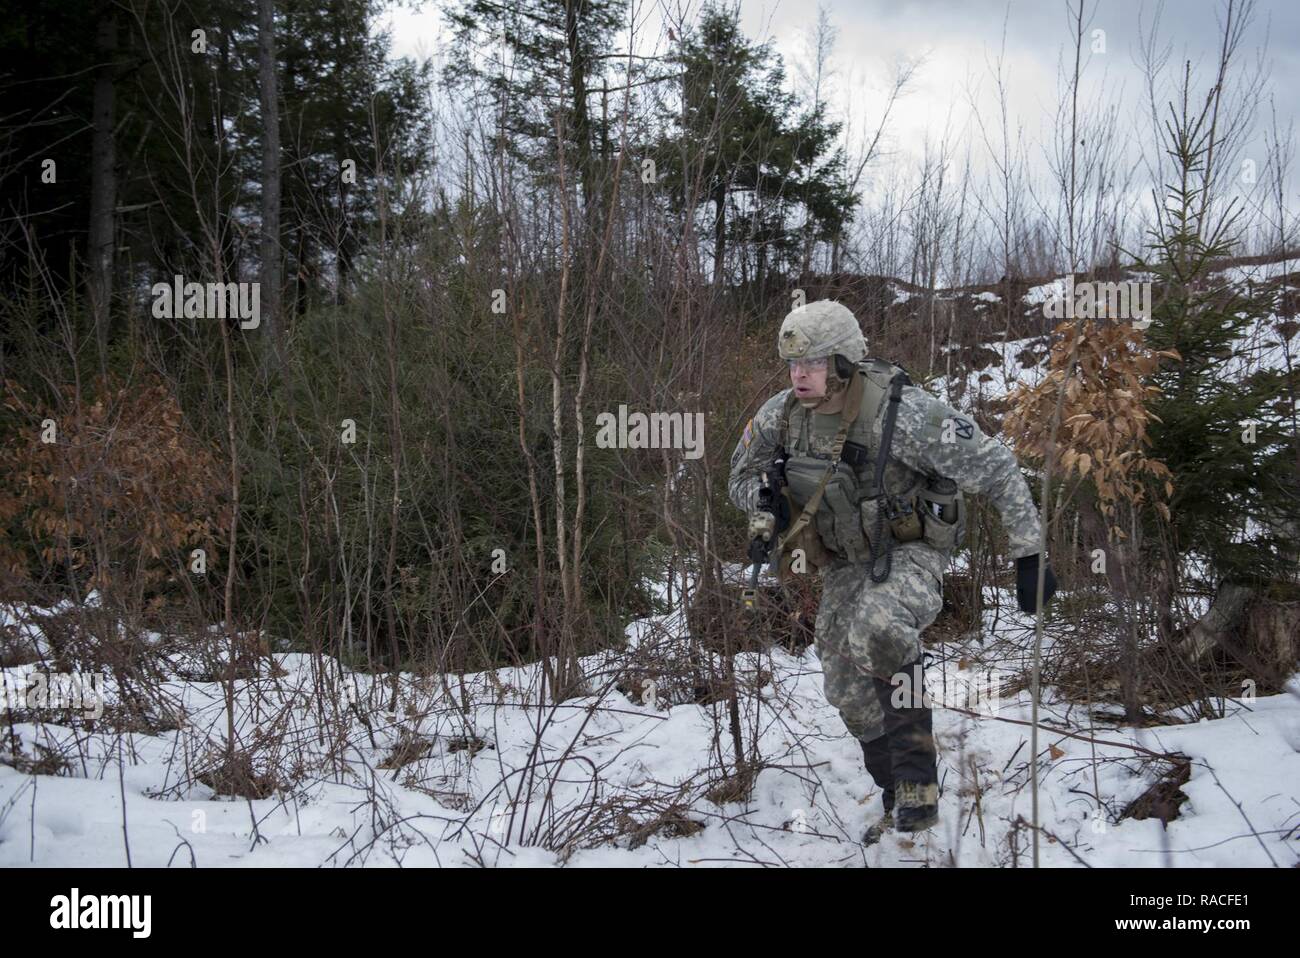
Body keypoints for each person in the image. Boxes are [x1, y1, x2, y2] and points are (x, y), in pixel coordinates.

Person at [728, 299, 1057, 844]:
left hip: (911, 550)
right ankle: (892, 794)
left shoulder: (904, 414)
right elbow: (738, 475)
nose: (798, 376)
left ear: (841, 363)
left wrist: (1029, 554)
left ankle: (916, 782)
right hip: (846, 561)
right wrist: (764, 502)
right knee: (843, 684)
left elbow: (997, 466)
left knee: (879, 629)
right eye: (792, 365)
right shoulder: (780, 416)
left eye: (810, 364)